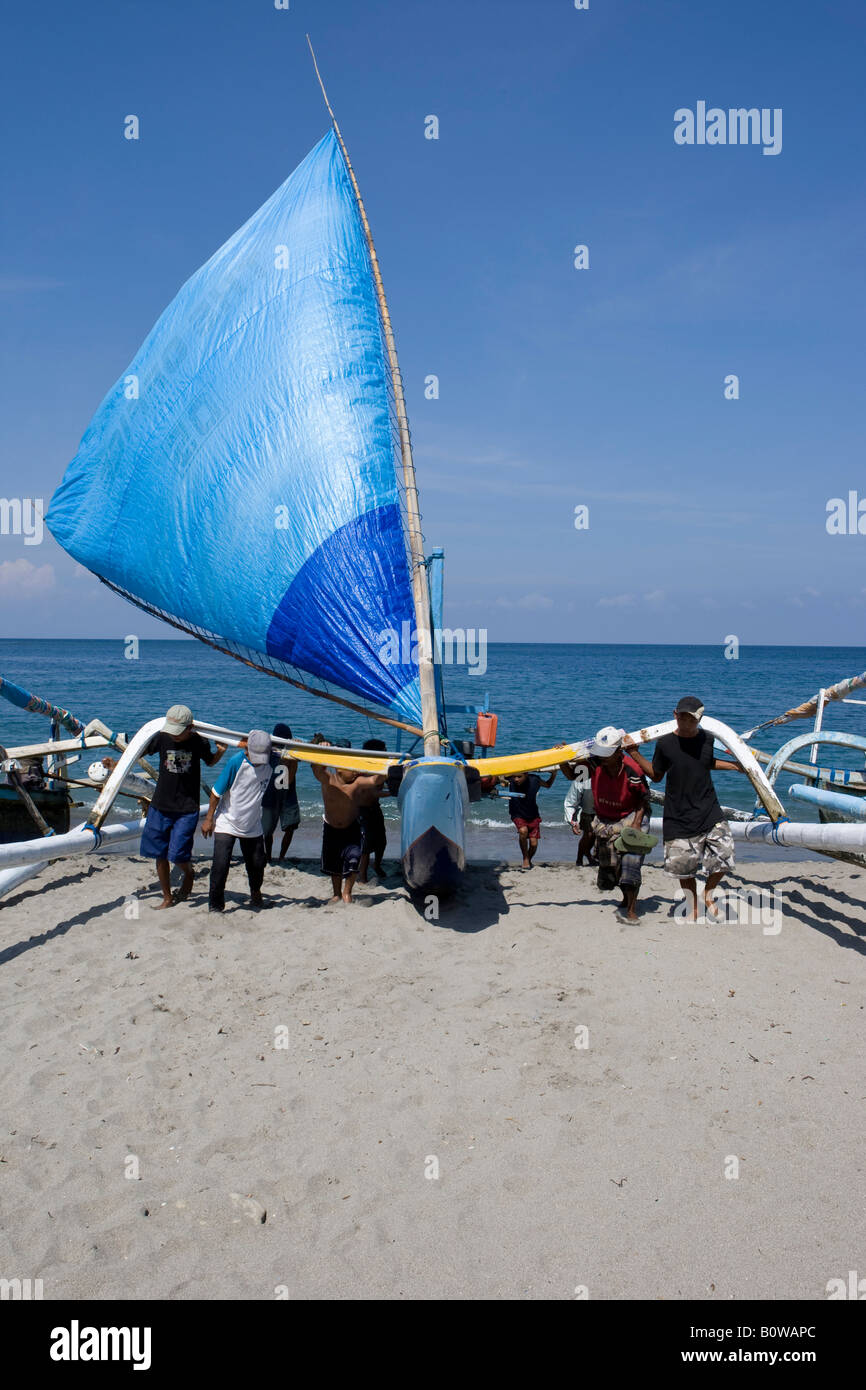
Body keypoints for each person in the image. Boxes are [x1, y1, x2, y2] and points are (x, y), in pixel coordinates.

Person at [624, 695, 740, 921]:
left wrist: (734, 766)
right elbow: (656, 775)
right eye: (683, 717)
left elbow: (706, 762)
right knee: (683, 867)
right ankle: (692, 902)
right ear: (675, 715)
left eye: (691, 719)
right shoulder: (665, 743)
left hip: (709, 809)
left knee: (724, 856)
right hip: (678, 813)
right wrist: (635, 753)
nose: (686, 723)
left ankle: (708, 894)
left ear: (699, 719)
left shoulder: (706, 739)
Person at [140, 705, 225, 909]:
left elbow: (211, 762)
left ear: (191, 727)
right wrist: (118, 765)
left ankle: (189, 872)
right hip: (160, 805)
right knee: (159, 854)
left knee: (178, 854)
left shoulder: (198, 741)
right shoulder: (162, 737)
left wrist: (220, 751)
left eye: (179, 732)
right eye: (172, 731)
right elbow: (138, 751)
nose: (175, 736)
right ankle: (167, 897)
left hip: (186, 808)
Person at [581, 726, 653, 923]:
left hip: (631, 814)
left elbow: (643, 798)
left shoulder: (632, 770)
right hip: (605, 818)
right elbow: (573, 775)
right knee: (612, 867)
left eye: (607, 755)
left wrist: (637, 823)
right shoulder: (594, 763)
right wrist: (560, 756)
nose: (603, 758)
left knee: (631, 864)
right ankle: (625, 896)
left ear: (618, 752)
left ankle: (631, 909)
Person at [311, 748, 387, 903]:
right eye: (351, 768)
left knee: (353, 859)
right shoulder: (328, 780)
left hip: (352, 828)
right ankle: (336, 893)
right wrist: (320, 747)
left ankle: (347, 892)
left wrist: (387, 767)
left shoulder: (357, 783)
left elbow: (374, 781)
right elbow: (317, 769)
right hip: (331, 829)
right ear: (339, 768)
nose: (356, 771)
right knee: (335, 864)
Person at [261, 722, 299, 861]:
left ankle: (281, 857)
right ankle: (269, 856)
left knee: (290, 827)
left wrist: (293, 750)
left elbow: (288, 779)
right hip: (271, 794)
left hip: (288, 794)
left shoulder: (293, 750)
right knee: (267, 831)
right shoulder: (269, 751)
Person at [504, 768, 556, 869]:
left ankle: (528, 859)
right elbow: (499, 778)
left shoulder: (535, 780)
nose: (516, 779)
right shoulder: (510, 779)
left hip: (533, 815)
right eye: (514, 777)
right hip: (517, 813)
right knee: (523, 831)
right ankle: (525, 859)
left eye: (519, 777)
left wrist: (553, 774)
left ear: (526, 774)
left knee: (534, 843)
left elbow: (548, 785)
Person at [358, 738, 389, 882]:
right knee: (366, 845)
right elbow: (372, 793)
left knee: (382, 841)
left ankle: (376, 865)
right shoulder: (364, 769)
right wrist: (392, 792)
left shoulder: (382, 766)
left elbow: (389, 782)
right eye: (384, 750)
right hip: (362, 810)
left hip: (375, 808)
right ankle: (362, 875)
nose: (387, 753)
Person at [560, 760, 597, 866]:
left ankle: (589, 856)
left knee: (597, 836)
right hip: (589, 811)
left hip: (605, 810)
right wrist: (573, 822)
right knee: (589, 835)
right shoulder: (582, 777)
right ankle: (579, 858)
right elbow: (571, 802)